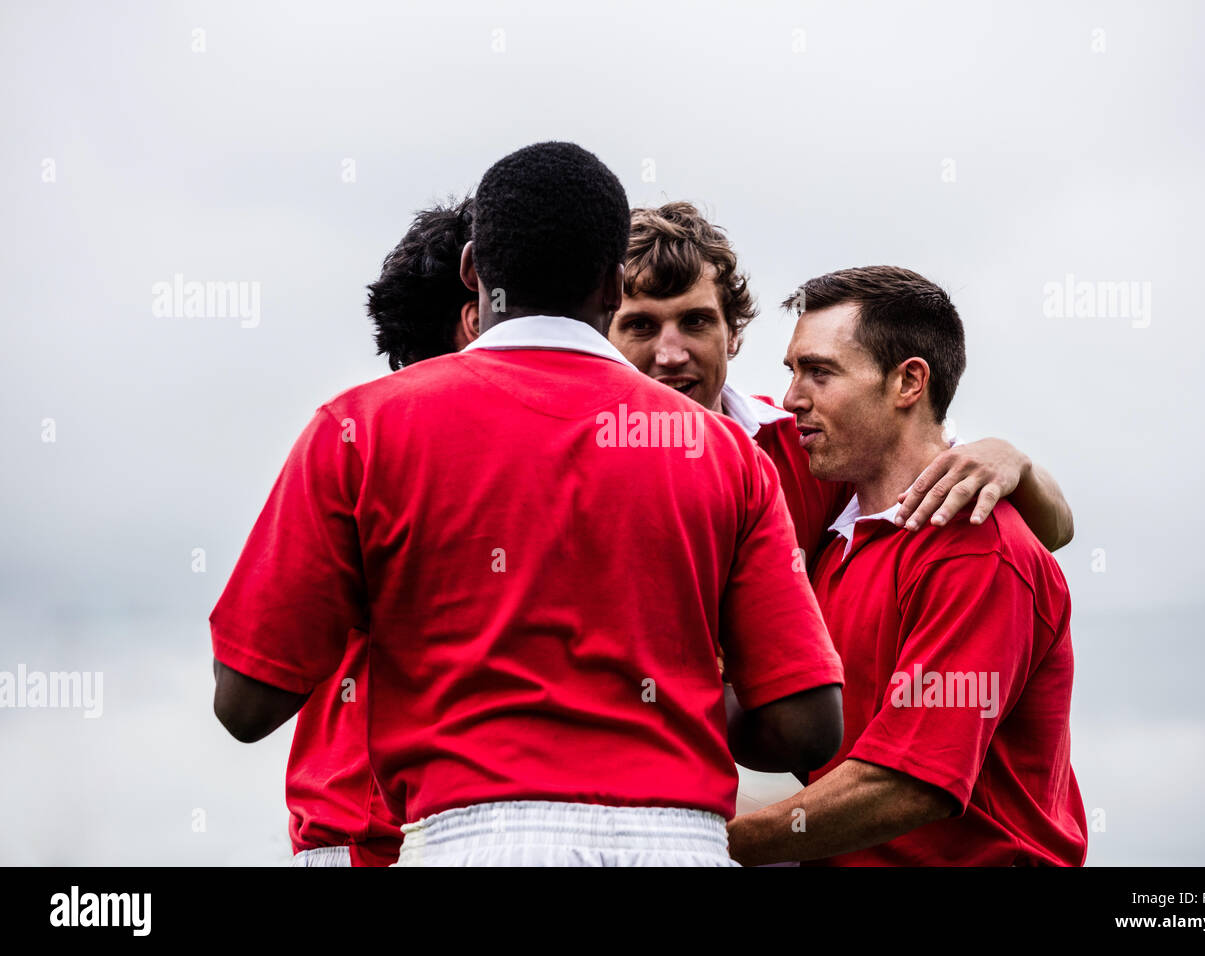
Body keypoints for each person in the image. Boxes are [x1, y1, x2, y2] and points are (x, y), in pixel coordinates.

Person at [210, 142, 845, 867]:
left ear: (474, 272)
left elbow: (246, 706)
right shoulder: (728, 453)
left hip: (467, 838)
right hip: (685, 840)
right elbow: (808, 726)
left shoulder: (359, 431)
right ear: (613, 286)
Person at [726, 266, 1087, 866]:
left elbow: (909, 783)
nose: (792, 398)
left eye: (819, 372)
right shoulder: (840, 539)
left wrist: (709, 847)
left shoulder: (978, 548)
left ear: (908, 383)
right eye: (792, 371)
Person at [607, 202, 1074, 559]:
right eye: (641, 326)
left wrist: (1013, 462)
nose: (670, 355)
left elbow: (1053, 531)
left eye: (695, 322)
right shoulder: (564, 460)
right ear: (602, 335)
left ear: (733, 333)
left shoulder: (801, 443)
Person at [279, 197, 477, 866]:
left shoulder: (358, 437)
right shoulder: (408, 445)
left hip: (351, 831)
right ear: (477, 318)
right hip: (405, 837)